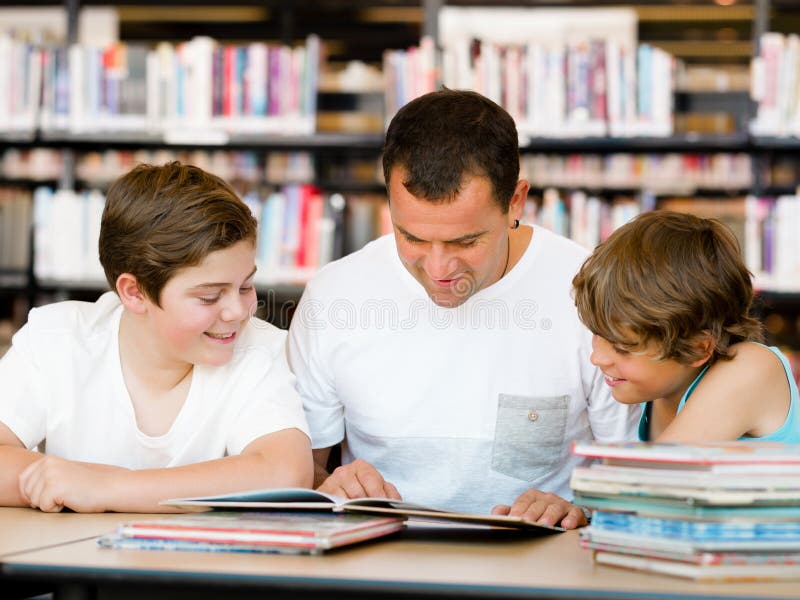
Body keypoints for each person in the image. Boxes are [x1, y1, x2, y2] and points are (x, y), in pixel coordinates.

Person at [287, 89, 639, 530]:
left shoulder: (590, 294)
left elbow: (634, 476)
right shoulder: (333, 296)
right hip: (379, 566)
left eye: (466, 242)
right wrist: (331, 486)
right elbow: (303, 475)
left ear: (516, 200)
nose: (438, 269)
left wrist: (583, 510)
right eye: (411, 237)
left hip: (542, 569)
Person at [0, 162, 313, 513]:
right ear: (134, 293)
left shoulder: (258, 350)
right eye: (209, 297)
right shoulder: (57, 339)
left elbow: (287, 473)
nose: (238, 311)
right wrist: (63, 482)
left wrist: (106, 487)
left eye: (246, 286)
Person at [573, 209, 800, 443]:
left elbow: (654, 476)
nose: (597, 358)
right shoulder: (659, 385)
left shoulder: (750, 367)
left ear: (699, 347)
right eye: (597, 334)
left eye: (622, 348)